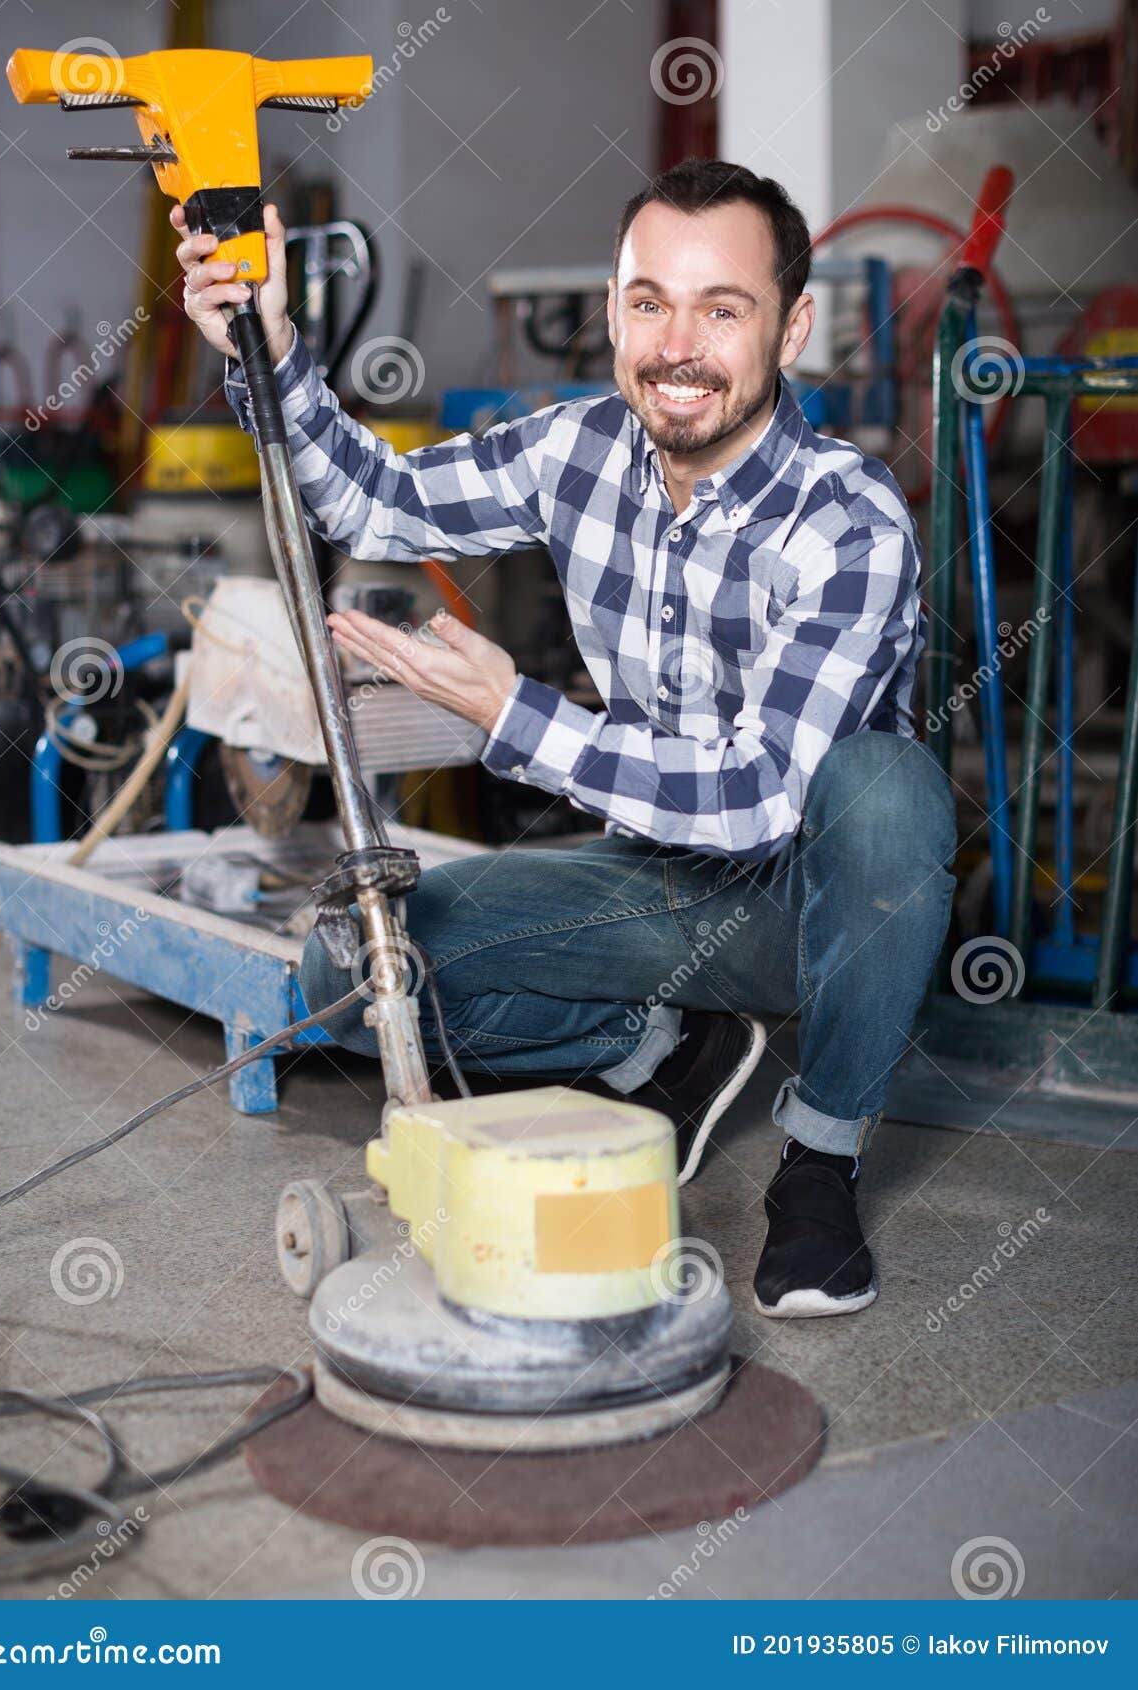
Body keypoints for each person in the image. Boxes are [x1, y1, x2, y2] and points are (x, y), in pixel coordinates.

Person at [173, 158, 957, 1320]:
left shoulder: (849, 520)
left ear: (790, 328)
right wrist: (273, 346)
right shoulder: (578, 448)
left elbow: (755, 798)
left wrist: (511, 716)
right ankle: (656, 1044)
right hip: (652, 878)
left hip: (806, 907)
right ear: (611, 310)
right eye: (649, 302)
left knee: (890, 792)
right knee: (349, 968)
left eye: (720, 309)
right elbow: (373, 501)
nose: (677, 344)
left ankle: (821, 1158)